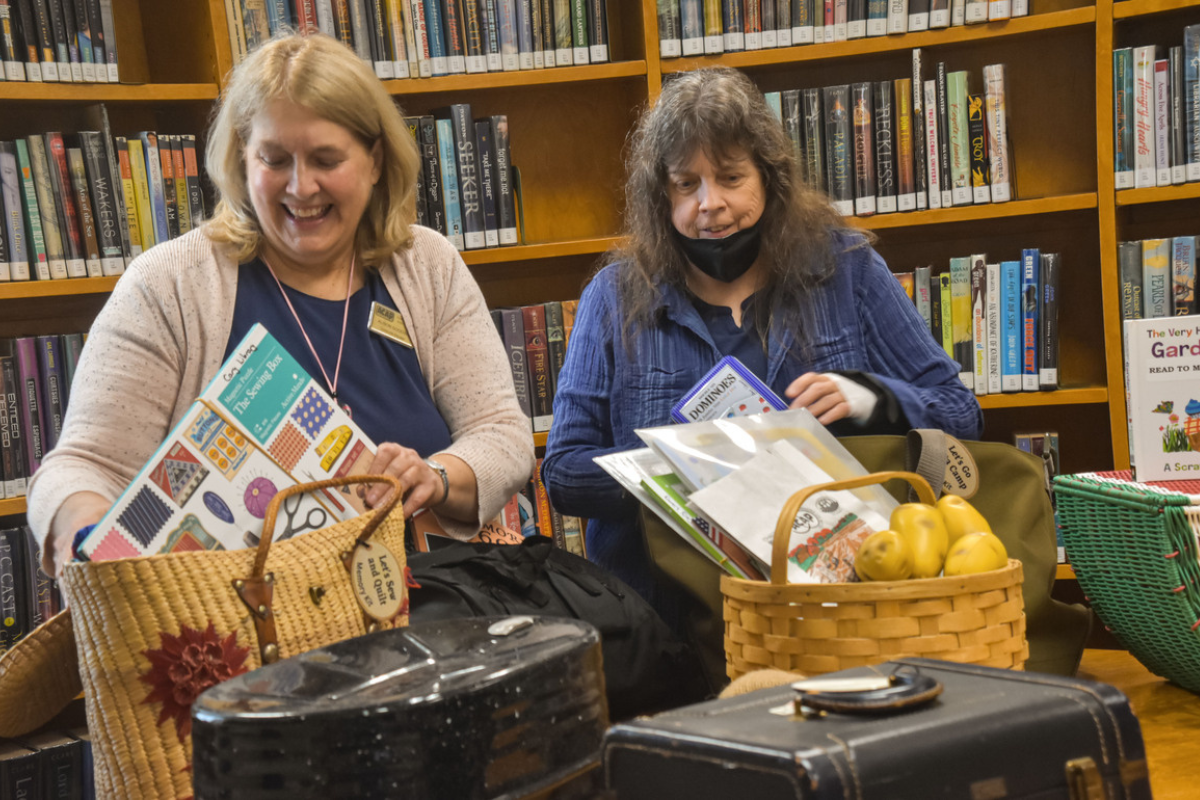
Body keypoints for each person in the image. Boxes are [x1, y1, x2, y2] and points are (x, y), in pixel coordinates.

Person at [28, 34, 534, 576]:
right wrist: (89, 538)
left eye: (326, 158)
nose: (301, 186)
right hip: (246, 632)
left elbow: (502, 434)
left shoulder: (427, 264)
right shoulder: (169, 286)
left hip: (434, 611)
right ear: (242, 159)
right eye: (274, 159)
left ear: (376, 160)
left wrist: (435, 475)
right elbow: (81, 466)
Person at [541, 67, 982, 624]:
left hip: (846, 607)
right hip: (671, 619)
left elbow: (961, 415)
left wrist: (874, 400)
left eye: (730, 178)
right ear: (661, 196)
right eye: (686, 184)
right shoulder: (614, 297)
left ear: (770, 180)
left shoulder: (846, 270)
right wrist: (683, 472)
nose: (709, 205)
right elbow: (564, 474)